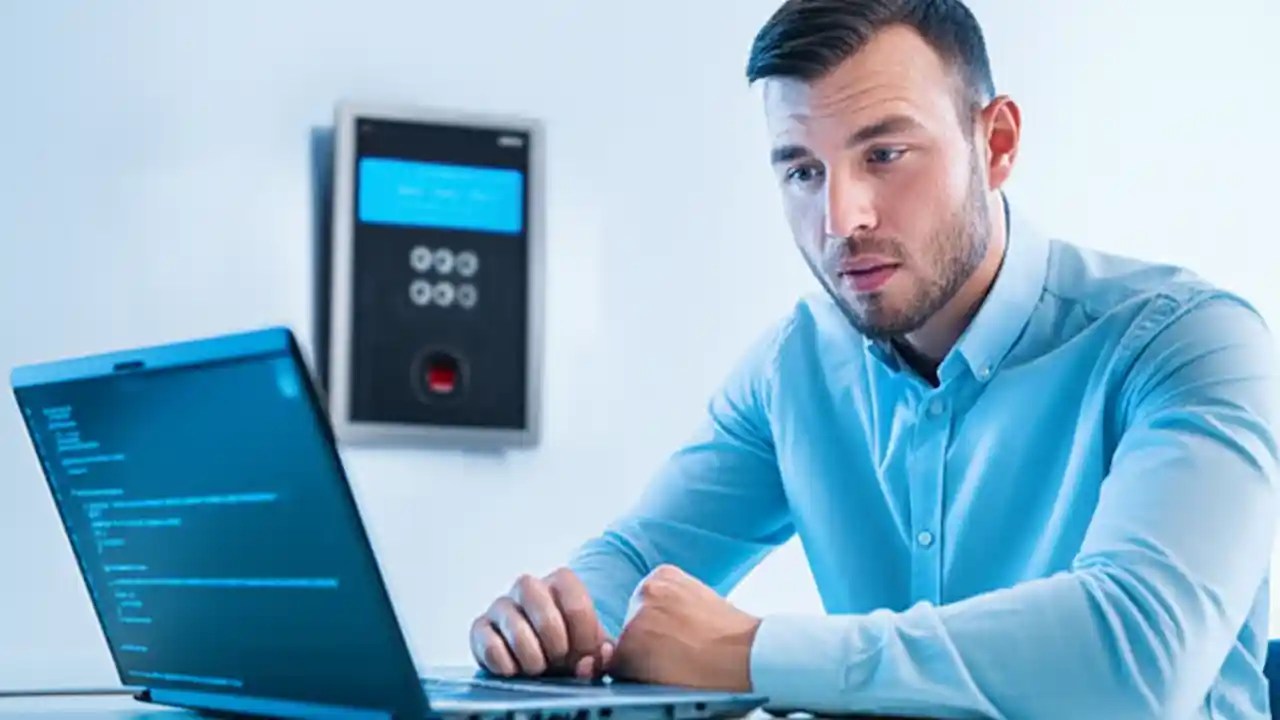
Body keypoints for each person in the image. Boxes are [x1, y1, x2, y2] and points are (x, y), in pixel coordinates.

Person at [469, 0, 1280, 717]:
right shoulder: (795, 371)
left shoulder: (1189, 342)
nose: (839, 217)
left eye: (884, 155)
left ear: (995, 144)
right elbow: (639, 565)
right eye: (802, 170)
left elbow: (1138, 655)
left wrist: (749, 654)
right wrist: (551, 626)